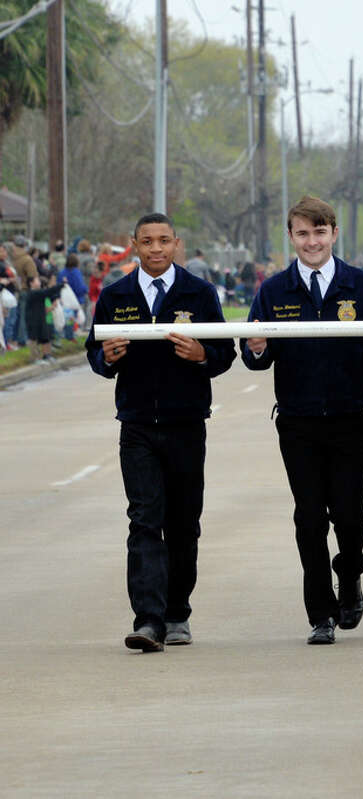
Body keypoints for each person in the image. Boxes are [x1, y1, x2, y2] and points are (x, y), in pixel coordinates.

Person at [242, 195, 363, 646]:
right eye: (303, 233)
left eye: (320, 232)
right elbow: (255, 357)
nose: (312, 241)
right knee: (309, 518)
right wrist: (256, 349)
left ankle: (349, 575)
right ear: (291, 237)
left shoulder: (362, 286)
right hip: (297, 421)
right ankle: (320, 613)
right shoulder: (273, 291)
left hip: (350, 419)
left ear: (334, 233)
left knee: (350, 517)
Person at [85, 212, 236, 652]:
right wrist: (108, 358)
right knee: (144, 521)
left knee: (183, 523)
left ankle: (177, 614)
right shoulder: (116, 296)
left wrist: (200, 354)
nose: (155, 249)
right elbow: (95, 353)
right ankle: (147, 619)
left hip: (187, 424)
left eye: (163, 241)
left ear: (176, 244)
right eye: (147, 241)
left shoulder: (200, 292)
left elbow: (225, 353)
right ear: (134, 245)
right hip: (136, 427)